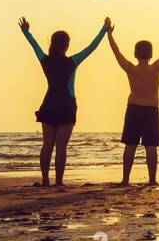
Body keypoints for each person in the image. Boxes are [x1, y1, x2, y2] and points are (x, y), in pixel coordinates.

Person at [18, 15, 108, 187]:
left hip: (49, 105)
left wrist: (26, 32)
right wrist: (104, 29)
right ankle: (58, 181)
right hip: (66, 105)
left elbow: (34, 45)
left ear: (52, 43)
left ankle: (45, 180)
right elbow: (92, 47)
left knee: (47, 145)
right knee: (61, 147)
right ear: (66, 45)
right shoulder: (72, 61)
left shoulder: (44, 60)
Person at [107, 20, 159, 185]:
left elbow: (116, 51)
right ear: (151, 54)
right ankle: (152, 180)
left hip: (133, 109)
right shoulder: (155, 67)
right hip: (151, 110)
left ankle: (125, 179)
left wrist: (109, 34)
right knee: (151, 146)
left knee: (130, 145)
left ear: (135, 54)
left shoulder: (131, 68)